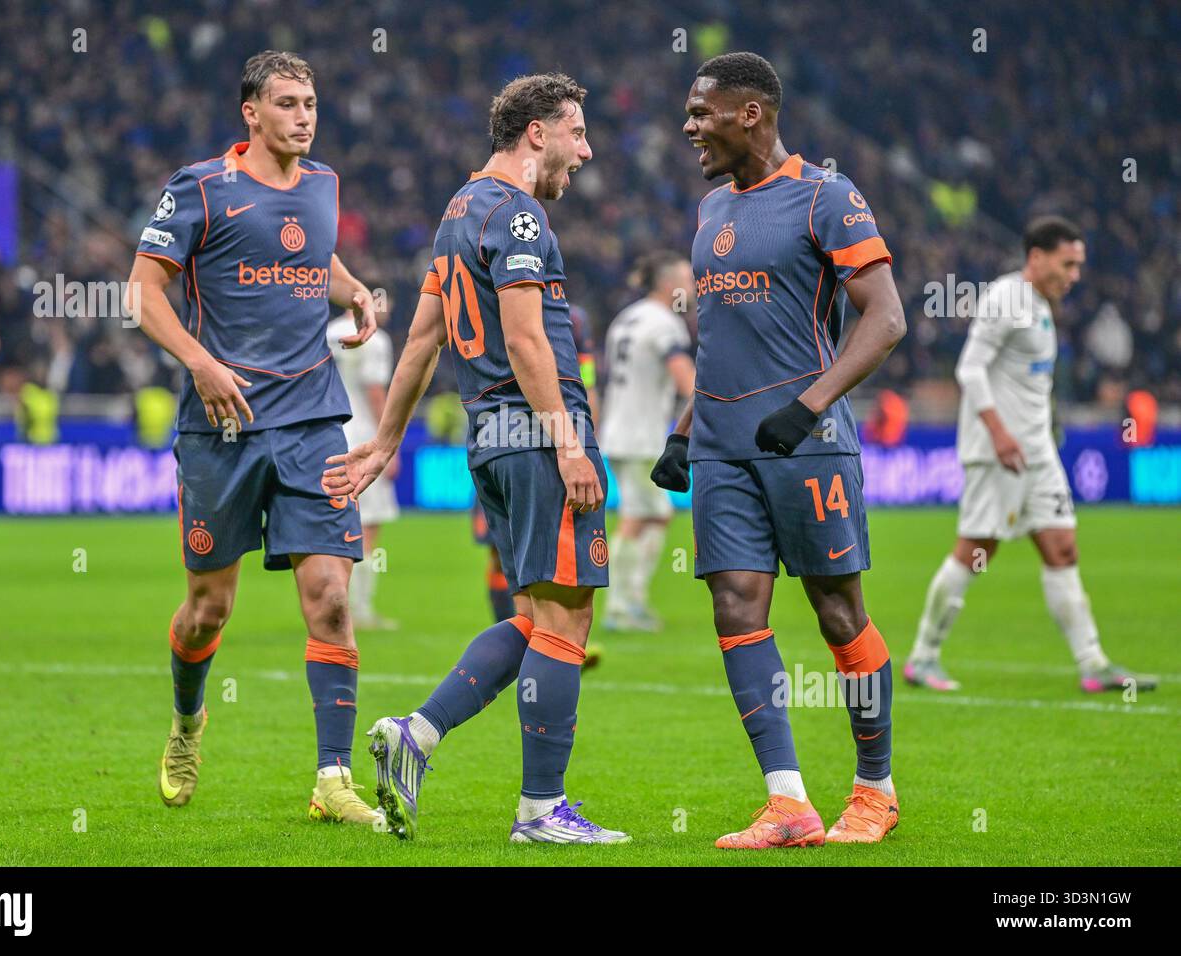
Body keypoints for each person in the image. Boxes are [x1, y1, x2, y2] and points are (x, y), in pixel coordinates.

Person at [325, 73, 628, 844]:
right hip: (536, 432)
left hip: (488, 436)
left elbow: (424, 339)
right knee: (566, 617)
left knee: (531, 618)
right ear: (536, 133)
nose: (586, 152)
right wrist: (569, 443)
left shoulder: (459, 212)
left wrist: (389, 440)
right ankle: (541, 811)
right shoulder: (519, 216)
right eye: (577, 133)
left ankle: (415, 735)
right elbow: (527, 340)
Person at [653, 52, 906, 847]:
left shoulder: (826, 197)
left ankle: (874, 791)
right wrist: (683, 433)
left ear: (750, 113)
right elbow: (723, 338)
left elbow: (886, 318)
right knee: (733, 604)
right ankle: (788, 801)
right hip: (722, 448)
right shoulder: (707, 213)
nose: (690, 127)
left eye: (703, 113)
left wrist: (810, 407)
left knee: (837, 611)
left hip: (807, 444)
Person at [126, 50, 381, 825]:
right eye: (288, 103)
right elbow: (142, 290)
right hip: (222, 428)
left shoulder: (324, 184)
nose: (304, 116)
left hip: (312, 421)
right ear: (251, 112)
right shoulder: (200, 187)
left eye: (311, 102)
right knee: (208, 608)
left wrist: (356, 288)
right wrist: (200, 363)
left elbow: (309, 255)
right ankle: (186, 722)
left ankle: (332, 780)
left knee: (332, 599)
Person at [906, 216, 1157, 694]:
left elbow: (1027, 381)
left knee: (1062, 548)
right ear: (1037, 257)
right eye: (1068, 264)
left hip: (1037, 453)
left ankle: (1093, 664)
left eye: (1079, 266)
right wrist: (1000, 434)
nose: (1075, 275)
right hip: (1000, 454)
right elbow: (971, 370)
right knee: (977, 552)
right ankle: (923, 656)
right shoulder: (1005, 299)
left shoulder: (1042, 305)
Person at [599, 251, 695, 631]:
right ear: (669, 285)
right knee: (638, 518)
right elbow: (685, 377)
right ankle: (620, 606)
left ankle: (630, 600)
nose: (692, 289)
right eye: (687, 281)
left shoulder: (627, 317)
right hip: (641, 436)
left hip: (619, 429)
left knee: (653, 513)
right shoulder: (665, 323)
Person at [328, 299, 400, 630]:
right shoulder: (375, 338)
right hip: (364, 439)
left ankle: (331, 605)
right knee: (367, 528)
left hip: (327, 435)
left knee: (334, 528)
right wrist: (390, 446)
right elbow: (374, 392)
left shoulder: (326, 332)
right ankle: (359, 612)